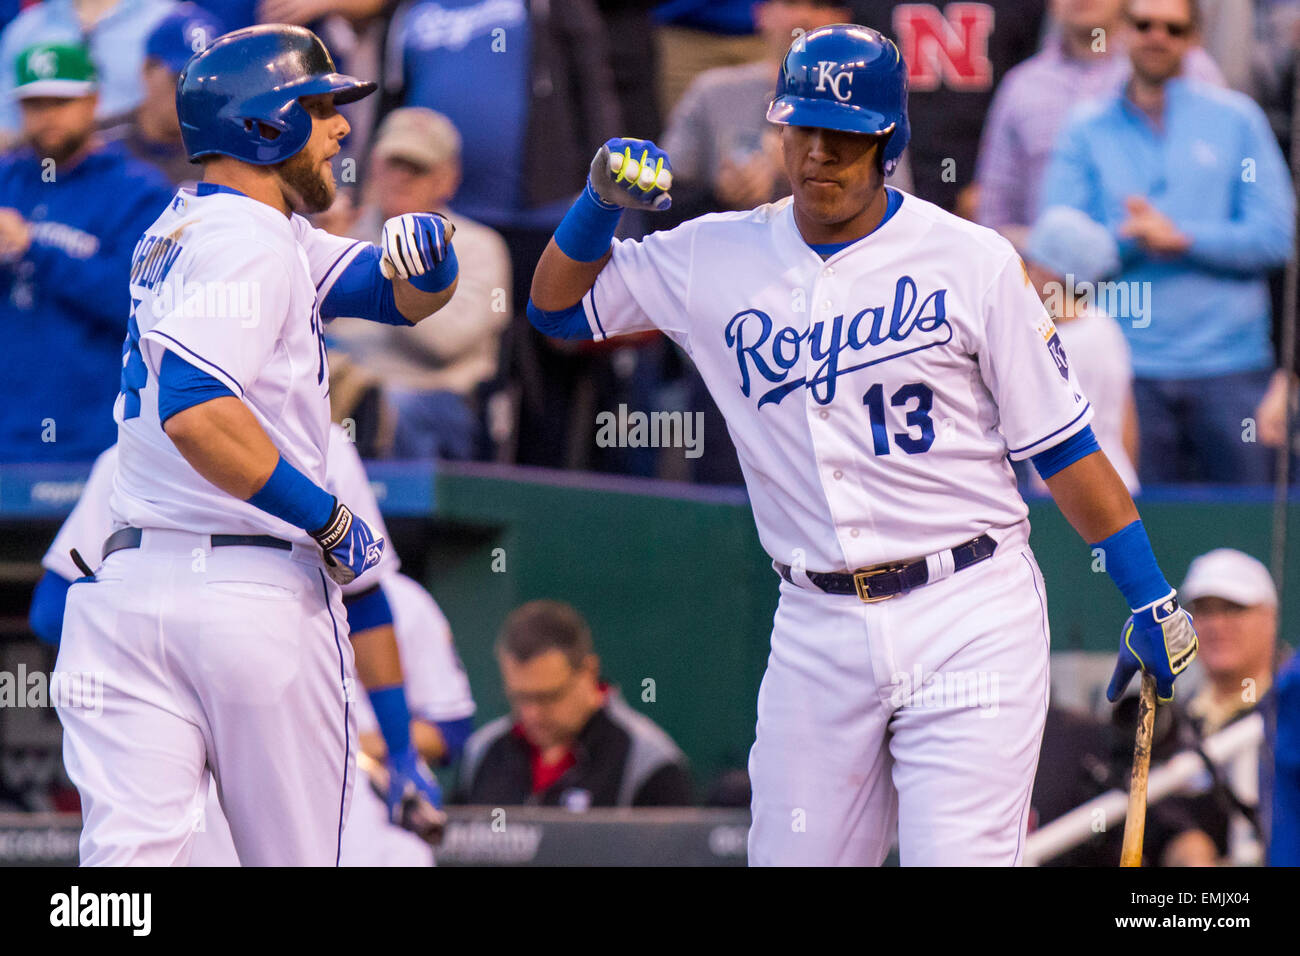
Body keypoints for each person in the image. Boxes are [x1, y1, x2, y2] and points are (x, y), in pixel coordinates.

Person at [526, 24, 1198, 865]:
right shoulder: (715, 253)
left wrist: (1149, 595)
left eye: (844, 136)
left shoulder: (972, 260)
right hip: (816, 618)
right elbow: (555, 314)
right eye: (801, 129)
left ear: (889, 140)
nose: (817, 154)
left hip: (968, 604)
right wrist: (597, 204)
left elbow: (1062, 448)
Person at [51, 24, 458, 866]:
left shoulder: (196, 225)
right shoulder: (252, 243)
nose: (343, 129)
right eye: (320, 109)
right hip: (248, 595)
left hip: (127, 589)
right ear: (265, 125)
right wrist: (330, 520)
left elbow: (394, 296)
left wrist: (432, 264)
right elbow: (196, 411)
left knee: (128, 877)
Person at [31, 424, 476, 864]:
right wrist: (398, 747)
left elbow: (365, 597)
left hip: (164, 666)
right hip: (269, 660)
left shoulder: (136, 434)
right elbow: (365, 600)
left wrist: (122, 618)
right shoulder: (320, 440)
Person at [1039, 0, 1295, 485]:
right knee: (1138, 536)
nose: (1157, 36)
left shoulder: (1237, 120)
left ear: (1193, 39)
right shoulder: (1084, 127)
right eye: (1144, 24)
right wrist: (1130, 237)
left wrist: (1182, 238)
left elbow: (1276, 237)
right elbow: (1058, 250)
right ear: (1121, 31)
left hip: (1232, 366)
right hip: (1127, 367)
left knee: (1247, 541)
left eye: (1173, 28)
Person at [0, 42, 173, 462]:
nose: (48, 116)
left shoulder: (139, 190)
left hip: (97, 440)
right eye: (35, 104)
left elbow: (139, 304)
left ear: (93, 100)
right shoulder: (7, 181)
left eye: (61, 101)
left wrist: (31, 248)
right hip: (7, 437)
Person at [327, 107, 511, 460]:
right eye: (394, 164)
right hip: (340, 388)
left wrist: (391, 261)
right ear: (375, 166)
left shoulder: (478, 245)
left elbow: (443, 344)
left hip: (433, 400)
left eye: (418, 168)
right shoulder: (339, 233)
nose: (402, 177)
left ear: (448, 179)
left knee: (385, 406)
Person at [974, 0, 1223, 248]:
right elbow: (995, 206)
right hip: (1049, 275)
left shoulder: (1177, 63)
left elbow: (1220, 180)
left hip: (1167, 268)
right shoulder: (1022, 85)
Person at [456, 600, 693, 808]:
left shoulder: (647, 761)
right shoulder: (483, 752)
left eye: (548, 697)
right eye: (520, 697)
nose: (533, 713)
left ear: (589, 672)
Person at [1137, 549, 1284, 865]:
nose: (1217, 625)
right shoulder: (1170, 721)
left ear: (1269, 617)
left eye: (1233, 610)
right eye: (1203, 612)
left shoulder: (1289, 714)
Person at [849, 0, 1044, 214]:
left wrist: (991, 190)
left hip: (983, 170)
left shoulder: (1025, 9)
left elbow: (1029, 89)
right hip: (893, 166)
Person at [1022, 206, 1140, 494]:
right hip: (1121, 483)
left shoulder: (1048, 344)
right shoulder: (1106, 325)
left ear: (1050, 273)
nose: (1025, 275)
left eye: (1032, 266)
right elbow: (1128, 420)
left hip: (1072, 494)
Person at [0, 0, 174, 135]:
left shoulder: (167, 20)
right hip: (52, 165)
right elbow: (6, 126)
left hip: (151, 165)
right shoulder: (24, 30)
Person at [104, 3, 226, 186]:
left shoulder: (228, 155)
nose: (192, 94)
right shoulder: (101, 140)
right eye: (182, 78)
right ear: (147, 70)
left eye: (205, 83)